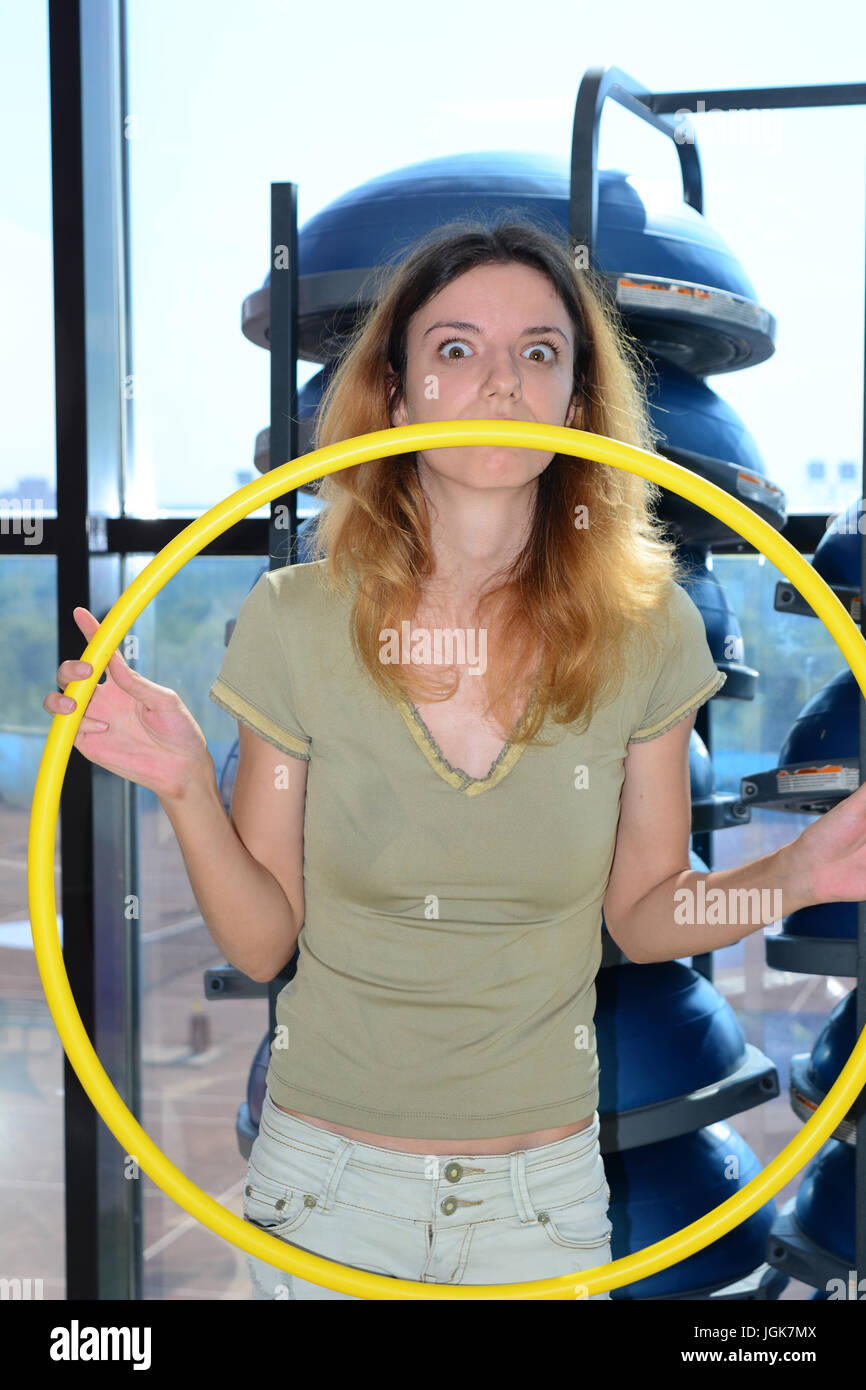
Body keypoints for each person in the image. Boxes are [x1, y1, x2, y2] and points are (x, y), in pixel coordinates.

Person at [44, 216, 844, 1302]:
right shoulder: (297, 620)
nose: (501, 382)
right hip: (322, 1196)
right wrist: (189, 783)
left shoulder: (646, 629)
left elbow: (646, 913)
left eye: (539, 352)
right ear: (397, 395)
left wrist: (797, 874)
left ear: (576, 405)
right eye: (456, 350)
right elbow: (263, 937)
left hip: (540, 1206)